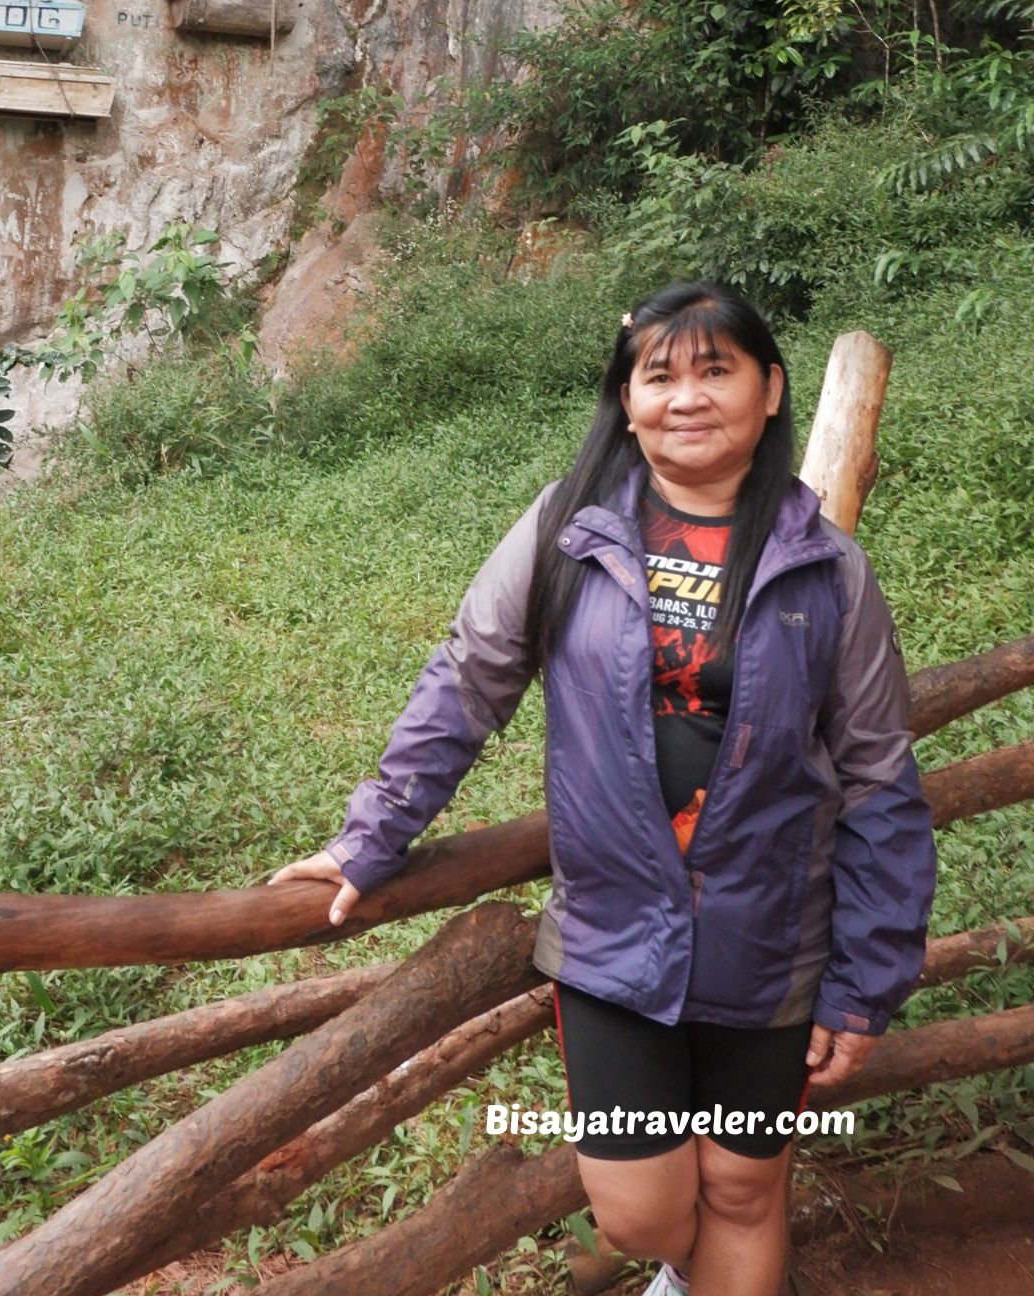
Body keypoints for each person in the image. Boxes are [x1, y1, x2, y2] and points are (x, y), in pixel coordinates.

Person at [270, 281, 936, 1296]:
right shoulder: (566, 532)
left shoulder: (829, 567)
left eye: (717, 369)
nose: (687, 395)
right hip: (615, 938)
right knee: (642, 1209)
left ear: (771, 390)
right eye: (658, 374)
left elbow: (883, 780)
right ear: (625, 402)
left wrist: (864, 978)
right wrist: (370, 837)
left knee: (747, 1190)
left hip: (771, 944)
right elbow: (467, 681)